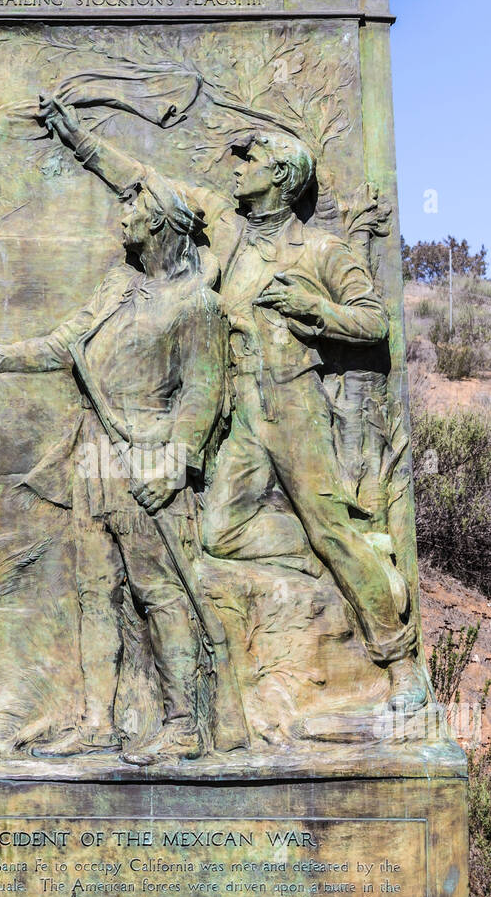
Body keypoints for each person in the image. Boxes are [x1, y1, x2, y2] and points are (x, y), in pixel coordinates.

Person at [37, 96, 427, 712]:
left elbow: (375, 322)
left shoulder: (320, 252)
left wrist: (316, 312)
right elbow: (145, 181)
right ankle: (347, 549)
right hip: (237, 409)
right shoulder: (226, 226)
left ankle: (400, 661)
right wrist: (79, 140)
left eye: (252, 159)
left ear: (281, 176)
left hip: (292, 402)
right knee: (221, 532)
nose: (237, 165)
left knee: (329, 528)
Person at [0, 171, 228, 763]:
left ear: (161, 224)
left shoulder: (196, 304)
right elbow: (63, 343)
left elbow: (203, 394)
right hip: (93, 462)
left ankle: (184, 724)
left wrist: (173, 469)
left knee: (159, 592)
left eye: (135, 206)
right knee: (96, 591)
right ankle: (98, 721)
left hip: (147, 460)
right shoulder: (117, 287)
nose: (123, 215)